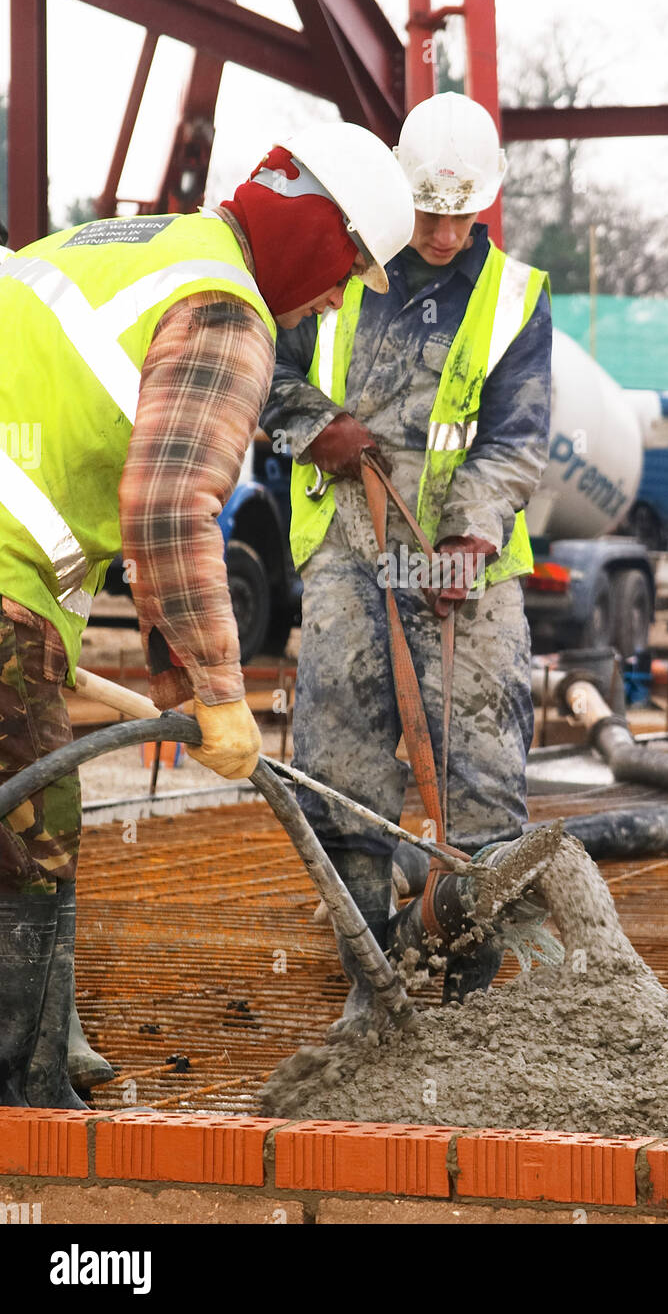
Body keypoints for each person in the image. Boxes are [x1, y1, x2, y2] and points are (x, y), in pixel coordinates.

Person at [0, 121, 415, 1107]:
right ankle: (24, 1088)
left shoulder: (141, 241)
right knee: (32, 829)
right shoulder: (227, 310)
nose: (335, 296)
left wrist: (170, 674)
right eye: (348, 268)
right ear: (322, 231)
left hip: (21, 578)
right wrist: (223, 690)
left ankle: (48, 1041)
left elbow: (108, 454)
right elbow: (167, 506)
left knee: (33, 807)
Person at [262, 92, 553, 1031]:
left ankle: (468, 989)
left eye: (458, 213)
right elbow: (259, 365)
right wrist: (318, 427)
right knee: (338, 761)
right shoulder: (342, 266)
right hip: (350, 546)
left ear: (486, 201)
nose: (439, 230)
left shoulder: (516, 297)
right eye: (426, 210)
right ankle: (368, 981)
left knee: (480, 766)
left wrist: (468, 533)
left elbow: (515, 438)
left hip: (465, 563)